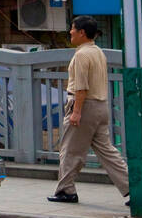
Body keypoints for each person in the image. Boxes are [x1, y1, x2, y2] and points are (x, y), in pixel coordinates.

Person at [50, 16, 130, 205]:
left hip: (84, 106)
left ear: (81, 32)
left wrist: (76, 111)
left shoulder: (81, 55)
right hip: (100, 106)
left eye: (72, 28)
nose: (70, 32)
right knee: (108, 151)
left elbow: (81, 87)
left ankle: (66, 190)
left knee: (70, 150)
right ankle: (132, 187)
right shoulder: (98, 52)